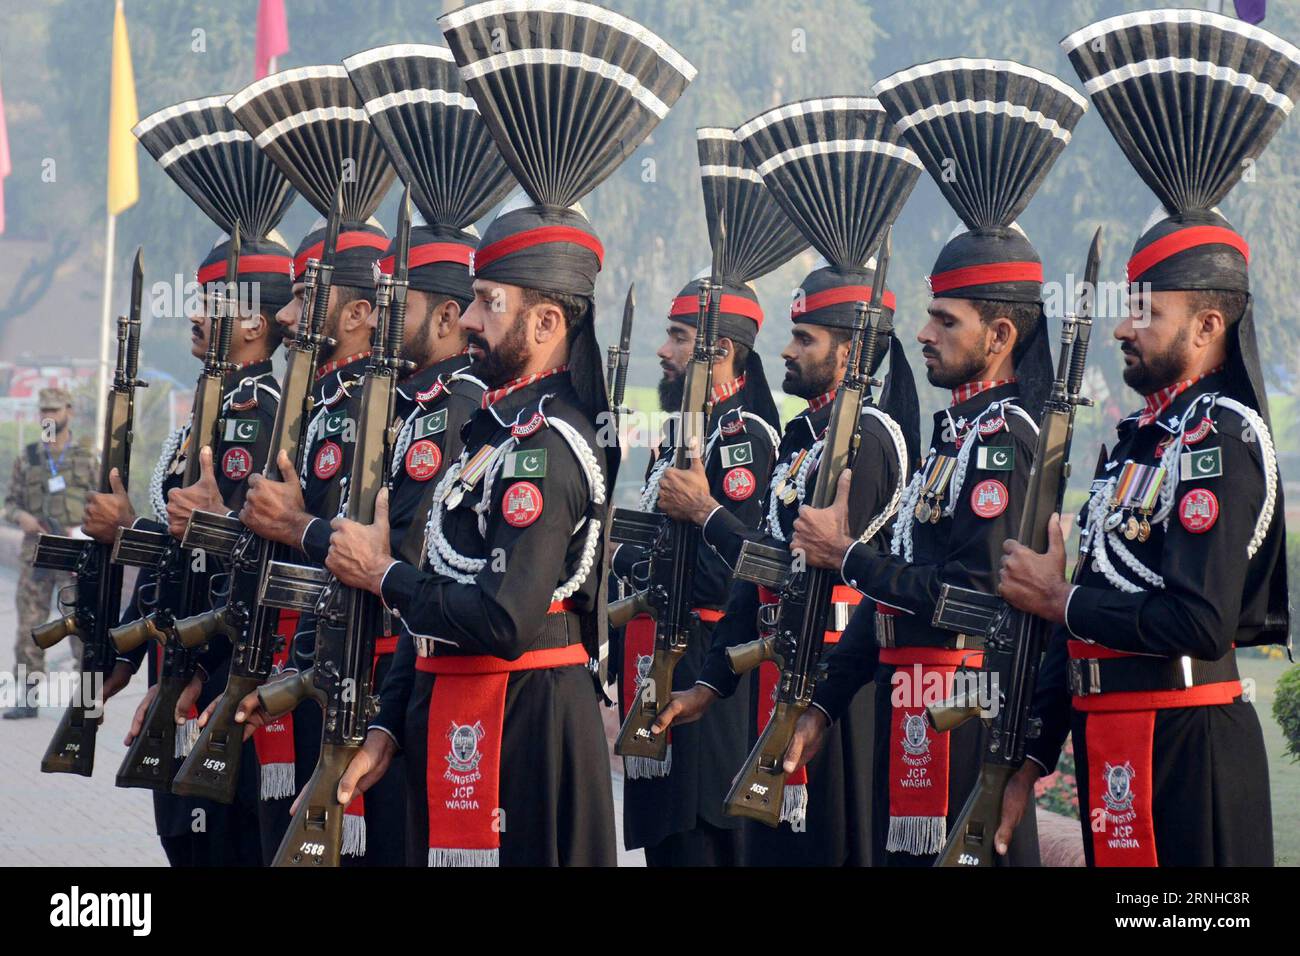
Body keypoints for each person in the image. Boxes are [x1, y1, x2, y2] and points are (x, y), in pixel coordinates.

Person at [245, 0, 695, 867]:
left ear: (548, 324)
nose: (472, 324)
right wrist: (386, 723)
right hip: (454, 711)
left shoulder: (545, 447)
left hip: (527, 727)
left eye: (492, 304)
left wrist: (380, 571)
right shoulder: (493, 430)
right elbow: (438, 609)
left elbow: (501, 619)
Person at [993, 9, 1297, 867]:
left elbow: (1197, 620)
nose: (1124, 329)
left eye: (1145, 311)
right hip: (1114, 743)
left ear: (1206, 326)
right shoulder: (1133, 442)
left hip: (1189, 750)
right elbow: (1085, 607)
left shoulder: (1219, 442)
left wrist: (1057, 600)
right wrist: (1030, 760)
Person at [786, 59, 1088, 866]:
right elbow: (896, 598)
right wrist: (823, 704)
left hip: (969, 719)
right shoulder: (958, 436)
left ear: (999, 338)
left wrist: (848, 556)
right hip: (915, 709)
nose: (921, 334)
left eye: (943, 320)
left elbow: (974, 598)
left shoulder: (1005, 441)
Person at [649, 97, 922, 867]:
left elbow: (809, 563)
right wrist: (712, 680)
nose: (787, 350)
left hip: (844, 690)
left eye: (805, 337)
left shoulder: (870, 439)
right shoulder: (806, 436)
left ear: (851, 351)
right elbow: (763, 568)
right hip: (787, 673)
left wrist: (707, 515)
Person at [81, 93, 295, 866]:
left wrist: (203, 674)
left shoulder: (261, 413)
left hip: (227, 676)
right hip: (179, 673)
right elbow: (175, 557)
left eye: (214, 302)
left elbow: (252, 562)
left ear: (254, 321)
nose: (196, 317)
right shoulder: (206, 412)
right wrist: (123, 658)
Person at [607, 125, 792, 867]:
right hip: (661, 662)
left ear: (720, 352)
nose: (662, 351)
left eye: (679, 338)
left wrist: (692, 519)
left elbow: (744, 568)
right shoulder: (682, 434)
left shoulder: (742, 439)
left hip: (710, 666)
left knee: (701, 847)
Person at [2, 387, 97, 719]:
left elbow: (103, 505)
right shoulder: (28, 457)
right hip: (36, 555)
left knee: (83, 628)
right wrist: (21, 518)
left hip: (73, 553)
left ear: (69, 411)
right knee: (29, 627)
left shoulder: (86, 457)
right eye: (43, 410)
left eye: (54, 410)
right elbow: (9, 504)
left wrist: (83, 530)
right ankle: (27, 699)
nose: (48, 416)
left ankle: (89, 702)